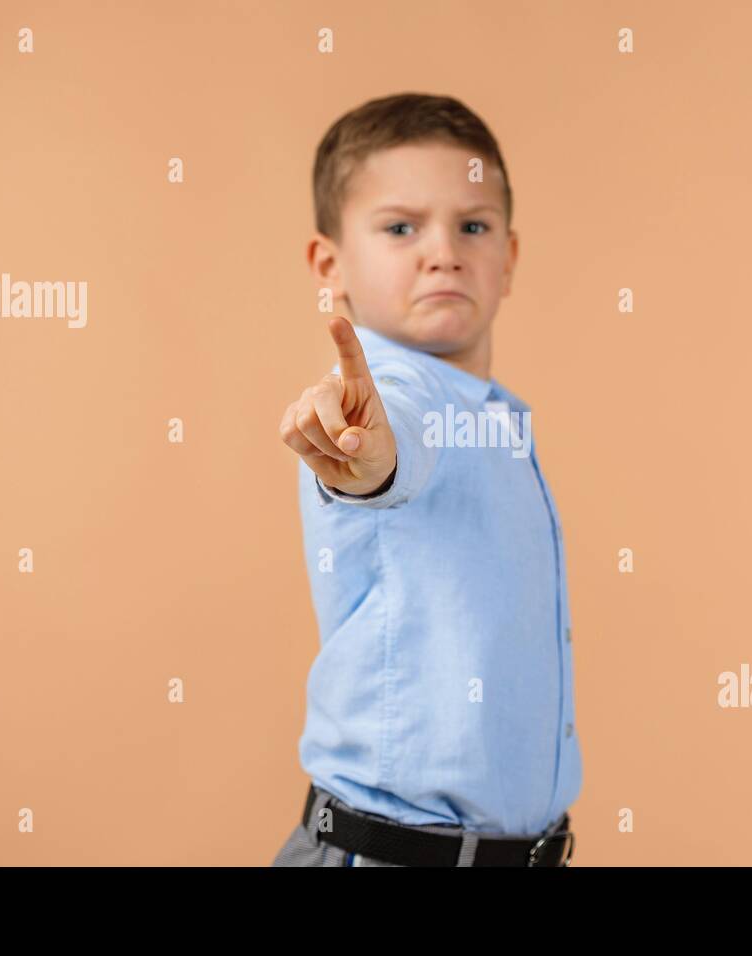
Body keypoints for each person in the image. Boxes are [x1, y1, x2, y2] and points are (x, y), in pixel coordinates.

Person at [272, 93, 580, 866]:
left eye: (473, 226)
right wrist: (371, 459)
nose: (442, 253)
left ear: (509, 258)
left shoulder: (496, 415)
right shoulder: (390, 399)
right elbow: (397, 440)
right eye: (401, 228)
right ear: (330, 267)